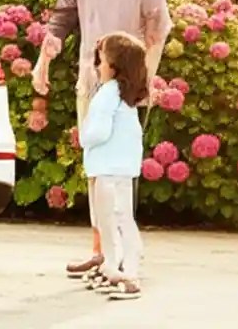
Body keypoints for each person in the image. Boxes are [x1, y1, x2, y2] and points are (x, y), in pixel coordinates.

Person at [33, 0, 170, 280]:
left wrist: (141, 86)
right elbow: (63, 17)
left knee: (121, 173)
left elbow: (157, 31)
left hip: (127, 92)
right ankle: (101, 251)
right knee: (95, 168)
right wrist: (47, 55)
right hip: (90, 86)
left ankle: (124, 254)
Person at [79, 31, 148, 300]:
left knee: (109, 220)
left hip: (107, 170)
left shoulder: (108, 94)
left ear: (114, 66)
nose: (98, 67)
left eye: (102, 62)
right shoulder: (126, 96)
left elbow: (98, 132)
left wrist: (85, 137)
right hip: (122, 170)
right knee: (119, 218)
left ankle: (127, 273)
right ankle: (115, 268)